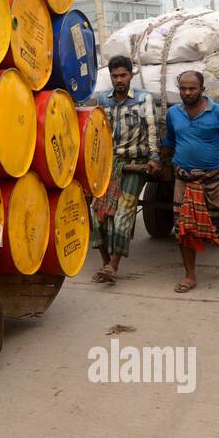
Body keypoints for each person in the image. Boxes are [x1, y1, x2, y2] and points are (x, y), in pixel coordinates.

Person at [159, 70, 219, 292]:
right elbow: (169, 140)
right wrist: (160, 161)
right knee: (183, 228)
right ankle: (190, 275)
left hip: (212, 179)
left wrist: (212, 157)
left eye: (192, 88)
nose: (187, 92)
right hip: (183, 179)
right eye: (183, 88)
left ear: (202, 89)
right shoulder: (174, 113)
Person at [91, 56, 159, 283]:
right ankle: (104, 263)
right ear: (110, 77)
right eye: (115, 76)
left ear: (131, 75)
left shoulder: (143, 100)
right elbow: (95, 133)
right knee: (95, 215)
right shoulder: (102, 100)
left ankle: (113, 265)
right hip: (106, 167)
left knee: (123, 213)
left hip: (134, 166)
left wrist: (154, 158)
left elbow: (151, 130)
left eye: (123, 75)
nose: (119, 80)